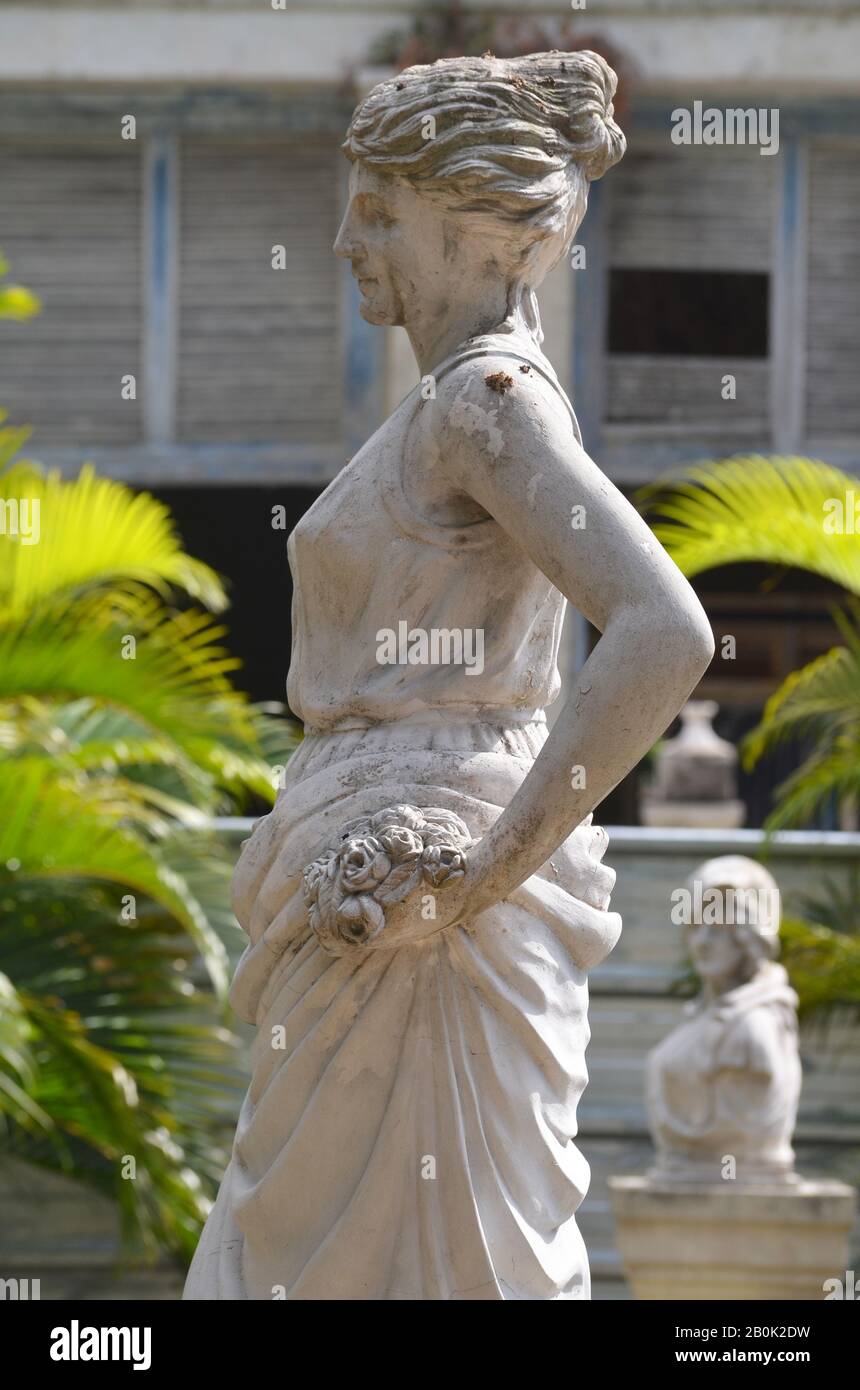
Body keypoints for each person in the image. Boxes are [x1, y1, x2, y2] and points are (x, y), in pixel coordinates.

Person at [184, 50, 714, 1301]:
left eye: (376, 208)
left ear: (466, 221)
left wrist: (490, 869)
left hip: (418, 912)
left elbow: (659, 628)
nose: (343, 237)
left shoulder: (484, 400)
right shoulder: (440, 405)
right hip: (359, 894)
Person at [648, 856, 801, 1185]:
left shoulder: (752, 1026)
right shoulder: (703, 1017)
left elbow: (739, 1129)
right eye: (695, 927)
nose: (702, 942)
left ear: (747, 936)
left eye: (717, 928)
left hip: (735, 1186)